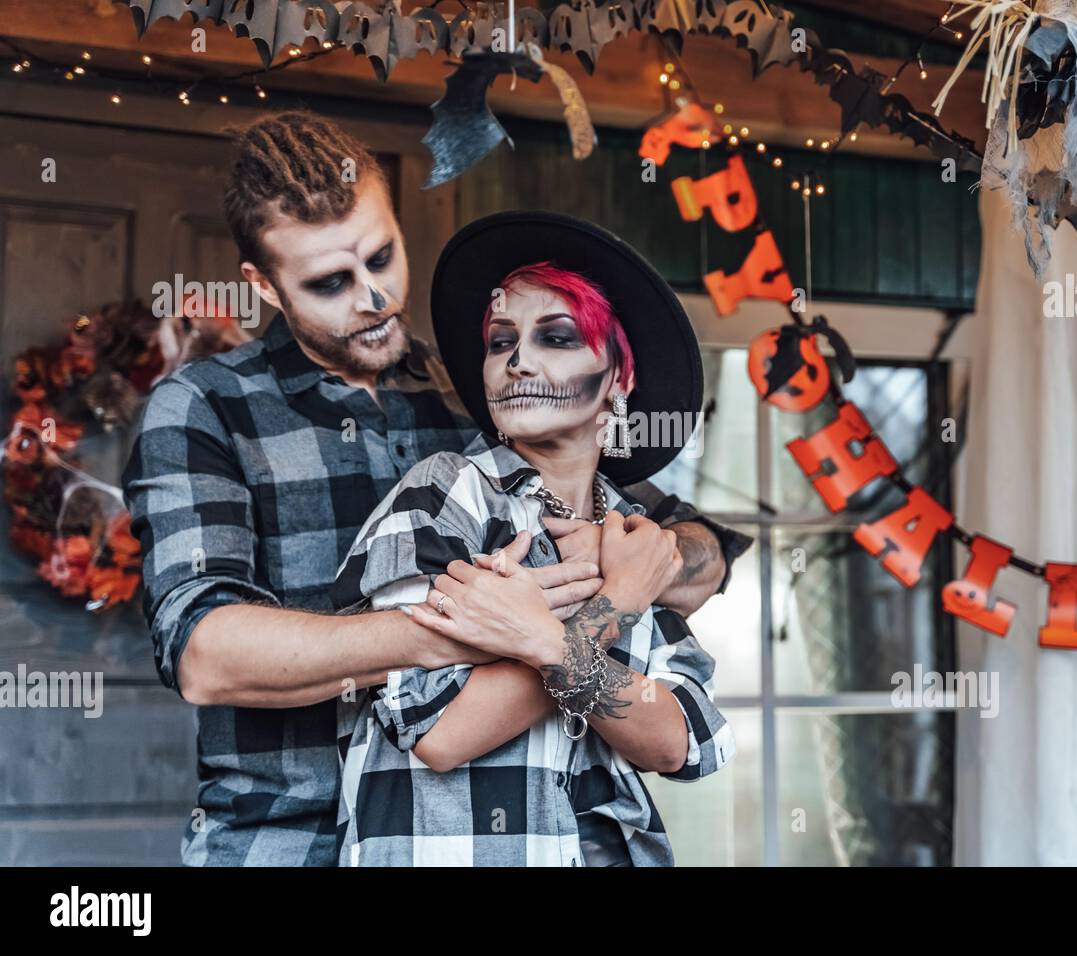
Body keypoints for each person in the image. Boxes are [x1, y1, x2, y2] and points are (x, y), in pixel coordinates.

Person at [121, 112, 751, 866]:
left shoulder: (479, 390)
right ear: (264, 286)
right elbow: (206, 653)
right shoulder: (204, 406)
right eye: (330, 282)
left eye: (382, 257)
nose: (374, 297)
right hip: (287, 839)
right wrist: (466, 627)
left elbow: (691, 548)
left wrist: (658, 561)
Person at [330, 212, 735, 866]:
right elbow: (440, 730)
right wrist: (615, 607)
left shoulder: (635, 538)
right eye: (500, 341)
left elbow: (677, 741)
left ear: (619, 381)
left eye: (557, 336)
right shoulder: (446, 493)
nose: (518, 361)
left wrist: (545, 636)